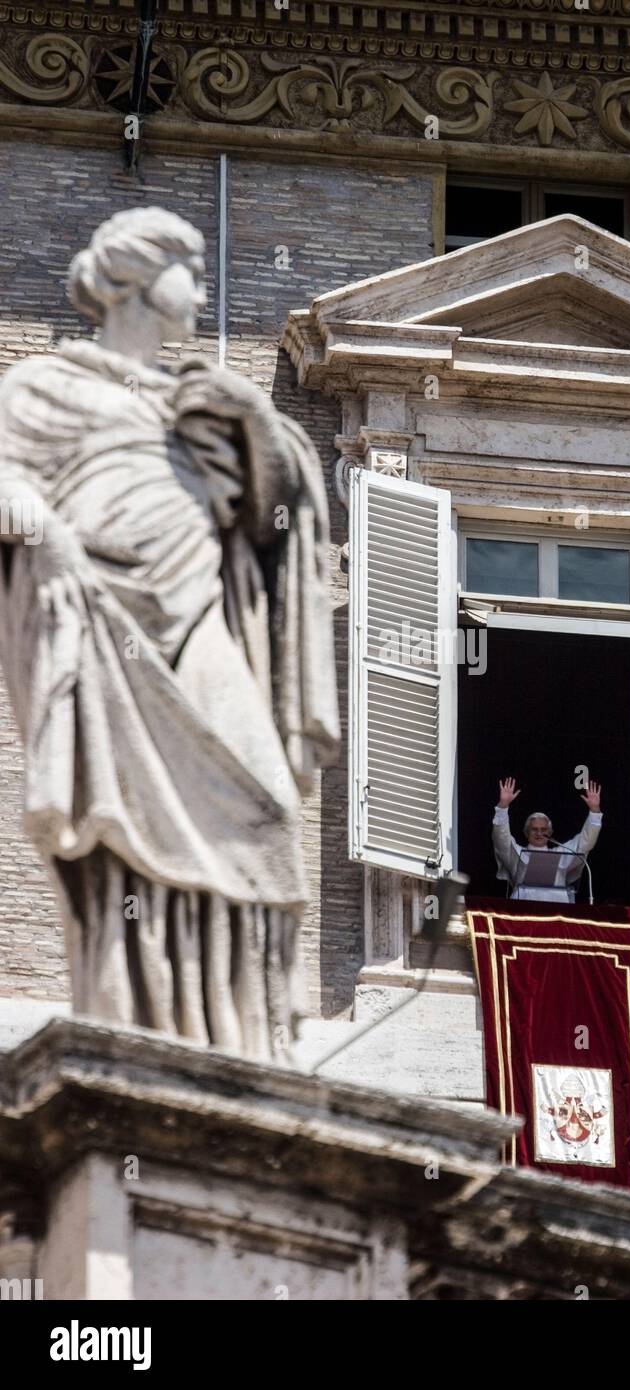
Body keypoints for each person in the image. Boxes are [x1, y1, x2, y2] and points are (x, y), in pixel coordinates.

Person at [0, 207, 340, 1060]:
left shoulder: (199, 408)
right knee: (124, 831)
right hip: (99, 622)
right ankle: (137, 1024)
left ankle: (245, 1035)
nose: (205, 288)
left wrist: (258, 424)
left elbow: (276, 529)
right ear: (140, 280)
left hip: (197, 625)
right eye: (190, 268)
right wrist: (48, 531)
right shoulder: (45, 389)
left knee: (264, 807)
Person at [492, 776, 602, 903]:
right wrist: (503, 806)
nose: (539, 833)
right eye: (534, 829)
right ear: (526, 832)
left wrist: (594, 810)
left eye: (544, 830)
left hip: (558, 910)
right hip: (523, 910)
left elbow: (585, 842)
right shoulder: (516, 854)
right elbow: (501, 837)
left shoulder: (561, 853)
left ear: (550, 833)